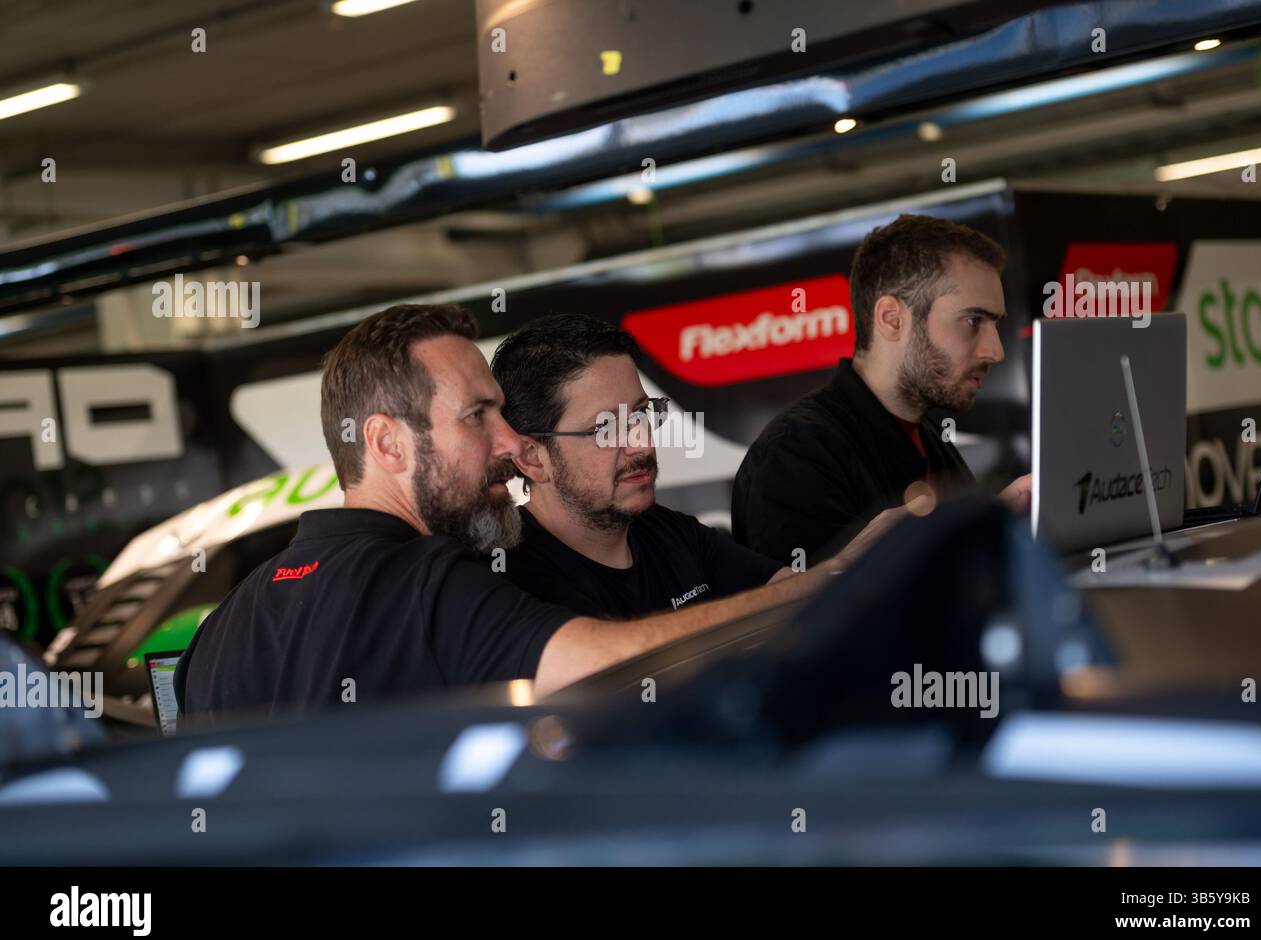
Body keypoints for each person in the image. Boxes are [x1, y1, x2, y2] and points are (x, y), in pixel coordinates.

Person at [175, 304, 895, 724]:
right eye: (478, 417)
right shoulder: (426, 580)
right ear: (387, 442)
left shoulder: (224, 627)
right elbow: (597, 665)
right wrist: (842, 581)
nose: (511, 442)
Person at [489, 315, 897, 618]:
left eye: (641, 415)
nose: (642, 442)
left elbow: (791, 593)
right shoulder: (507, 581)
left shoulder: (672, 534)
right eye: (605, 428)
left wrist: (862, 561)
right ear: (530, 458)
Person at [732, 214, 1031, 564]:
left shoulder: (927, 434)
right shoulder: (793, 456)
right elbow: (822, 611)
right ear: (892, 318)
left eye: (995, 324)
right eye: (972, 321)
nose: (995, 351)